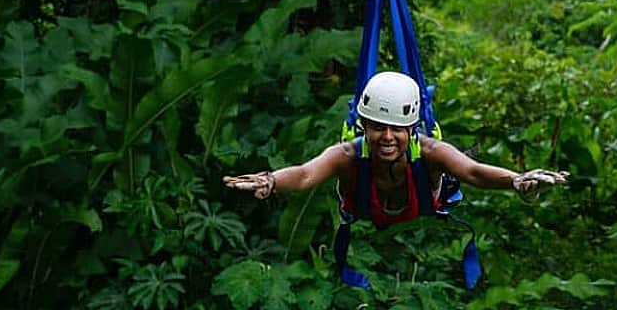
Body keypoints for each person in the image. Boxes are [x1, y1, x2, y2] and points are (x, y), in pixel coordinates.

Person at [223, 71, 567, 221]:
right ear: (364, 126)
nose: (387, 137)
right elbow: (303, 175)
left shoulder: (430, 151)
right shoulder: (347, 156)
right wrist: (270, 180)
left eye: (398, 129)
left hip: (424, 194)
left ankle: (444, 184)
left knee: (455, 164)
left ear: (412, 129)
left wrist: (517, 180)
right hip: (365, 205)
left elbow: (473, 171)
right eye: (377, 128)